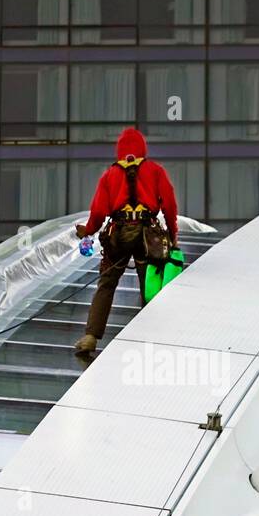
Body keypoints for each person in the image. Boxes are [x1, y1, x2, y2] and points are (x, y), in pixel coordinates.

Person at [73, 127, 179, 355]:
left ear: (119, 151)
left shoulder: (110, 175)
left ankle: (90, 337)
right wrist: (172, 234)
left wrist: (88, 230)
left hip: (117, 236)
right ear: (143, 149)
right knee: (148, 287)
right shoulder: (155, 171)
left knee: (107, 284)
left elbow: (99, 211)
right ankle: (151, 340)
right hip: (147, 237)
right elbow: (169, 204)